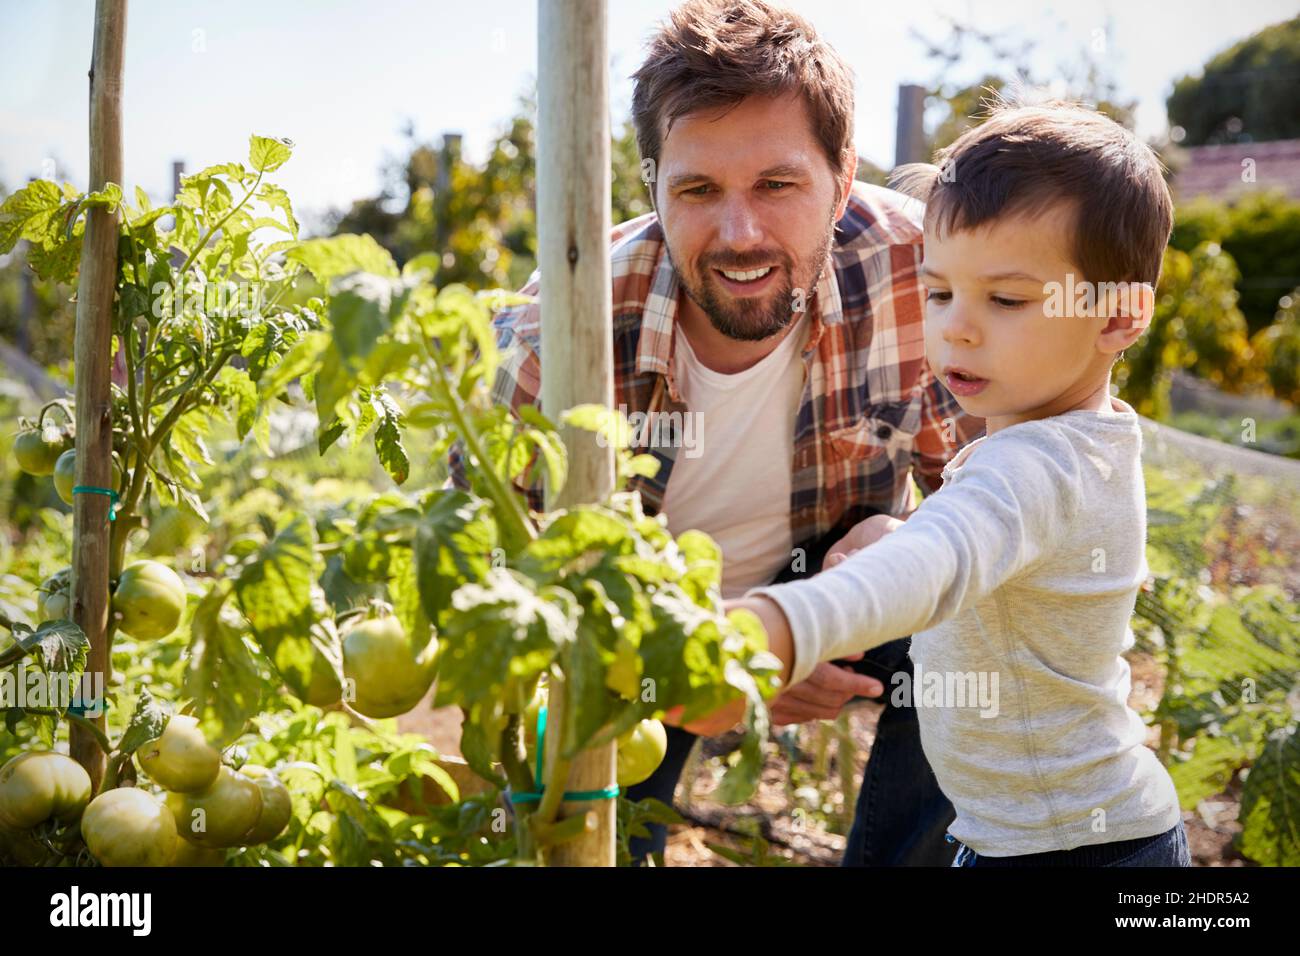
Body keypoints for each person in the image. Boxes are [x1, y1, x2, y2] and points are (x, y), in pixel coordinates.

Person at [448, 0, 983, 865]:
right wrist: (706, 660)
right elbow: (491, 590)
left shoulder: (921, 270)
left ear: (842, 178)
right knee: (582, 836)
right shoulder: (553, 336)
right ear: (652, 186)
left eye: (778, 184)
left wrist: (905, 546)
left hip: (853, 588)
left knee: (983, 640)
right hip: (639, 640)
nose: (740, 235)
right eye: (697, 190)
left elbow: (1008, 493)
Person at [707, 99, 1191, 866]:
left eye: (1005, 300)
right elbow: (991, 558)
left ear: (1118, 318)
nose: (957, 328)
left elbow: (939, 567)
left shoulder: (1035, 461)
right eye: (938, 293)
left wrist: (772, 628)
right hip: (1037, 835)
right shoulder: (1078, 437)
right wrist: (903, 533)